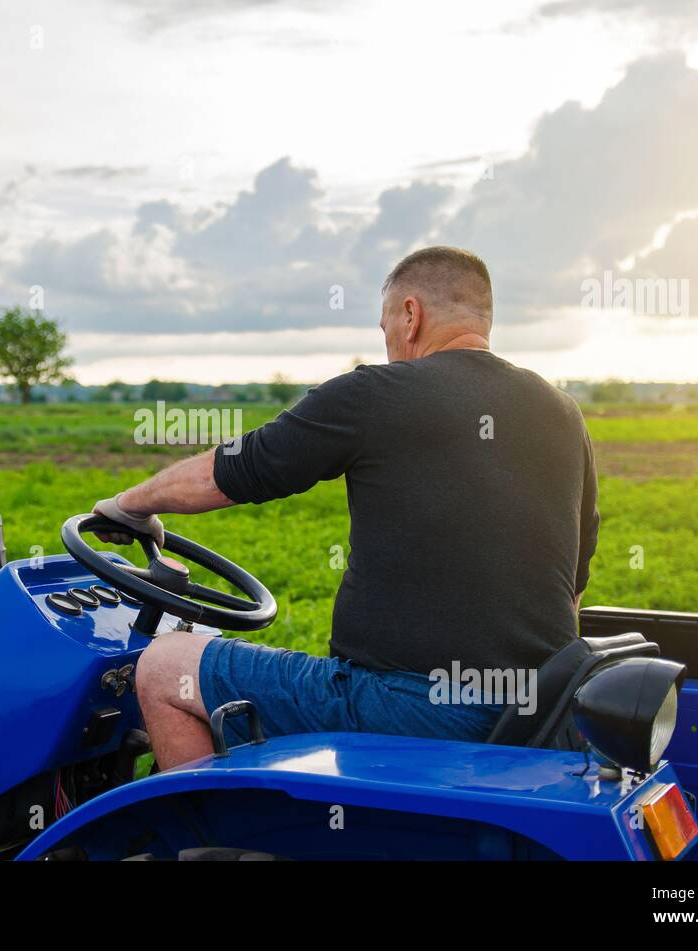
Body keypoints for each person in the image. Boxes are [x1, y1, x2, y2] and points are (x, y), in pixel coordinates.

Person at [91, 246, 599, 768]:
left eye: (384, 330)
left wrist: (130, 505)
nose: (388, 347)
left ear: (410, 314)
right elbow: (575, 585)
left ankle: (200, 842)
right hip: (538, 713)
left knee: (163, 665)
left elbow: (232, 471)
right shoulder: (562, 412)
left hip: (405, 704)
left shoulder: (377, 393)